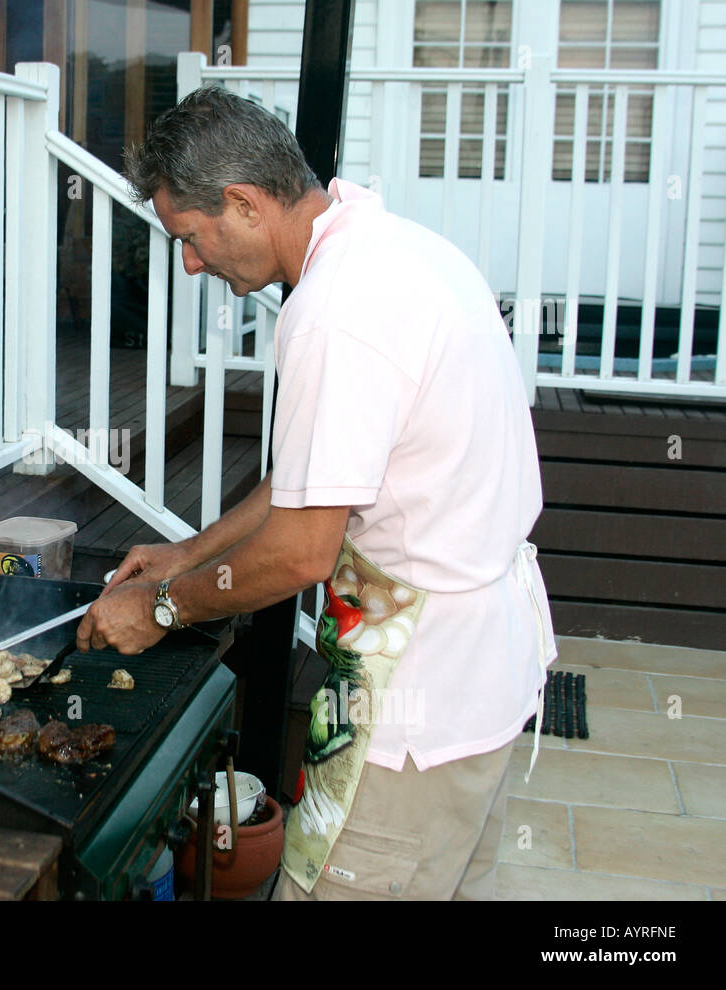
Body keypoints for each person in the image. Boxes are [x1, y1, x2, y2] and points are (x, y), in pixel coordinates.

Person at [75, 86, 556, 900]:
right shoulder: (397, 248)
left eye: (191, 238)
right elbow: (315, 483)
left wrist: (162, 608)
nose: (191, 263)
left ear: (243, 203)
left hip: (417, 709)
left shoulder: (335, 311)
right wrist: (190, 551)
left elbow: (303, 550)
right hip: (486, 675)